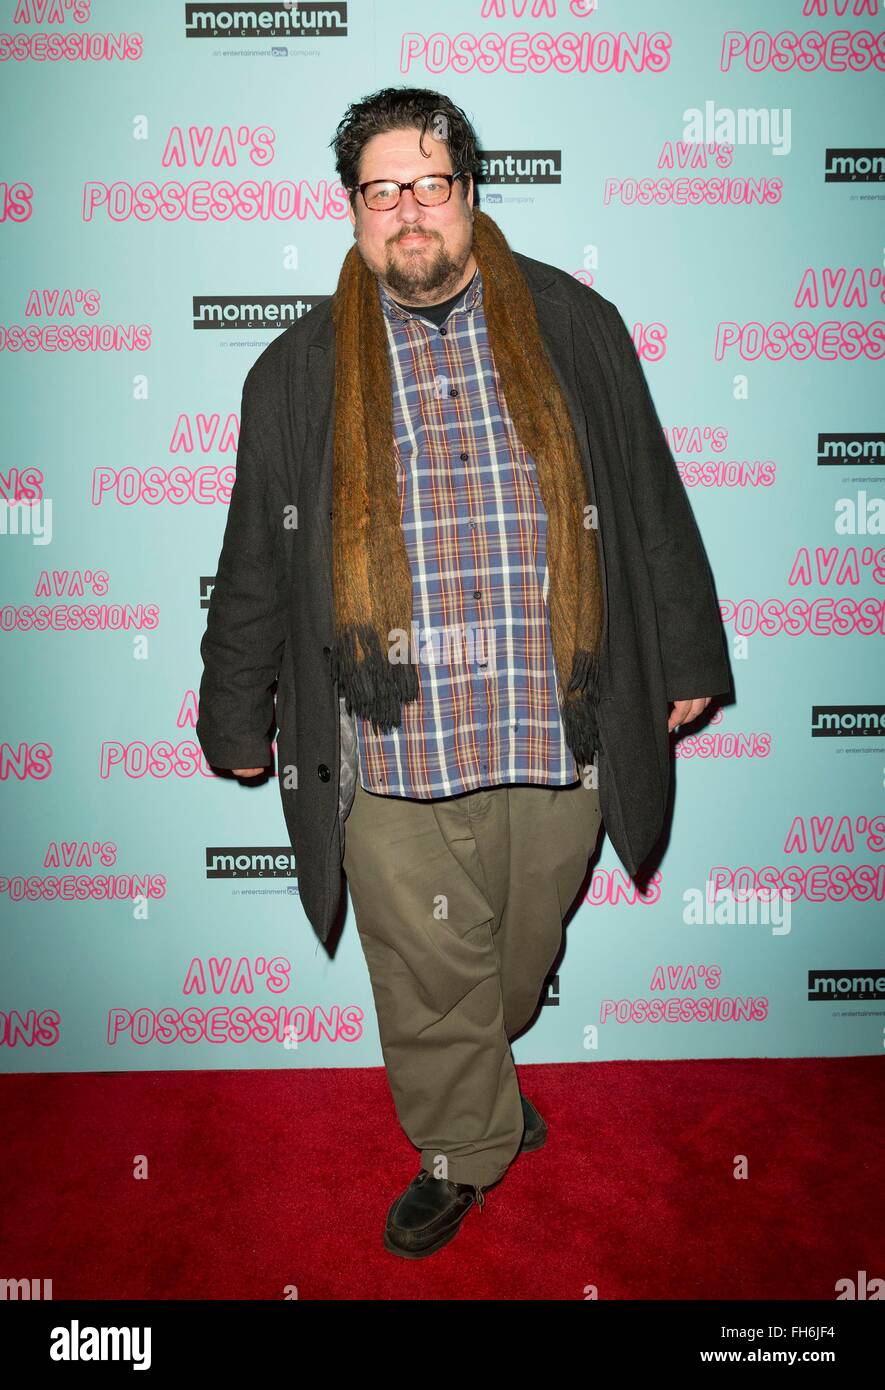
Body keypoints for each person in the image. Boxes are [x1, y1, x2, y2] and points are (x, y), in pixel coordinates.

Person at [196, 86, 733, 1260]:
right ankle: (463, 1146)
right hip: (388, 746)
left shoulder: (573, 325)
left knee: (519, 948)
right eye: (380, 191)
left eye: (428, 184)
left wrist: (685, 650)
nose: (408, 212)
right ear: (351, 212)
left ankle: (480, 1076)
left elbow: (646, 494)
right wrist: (237, 711)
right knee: (429, 971)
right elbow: (254, 562)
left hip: (556, 721)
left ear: (470, 193)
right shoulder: (293, 375)